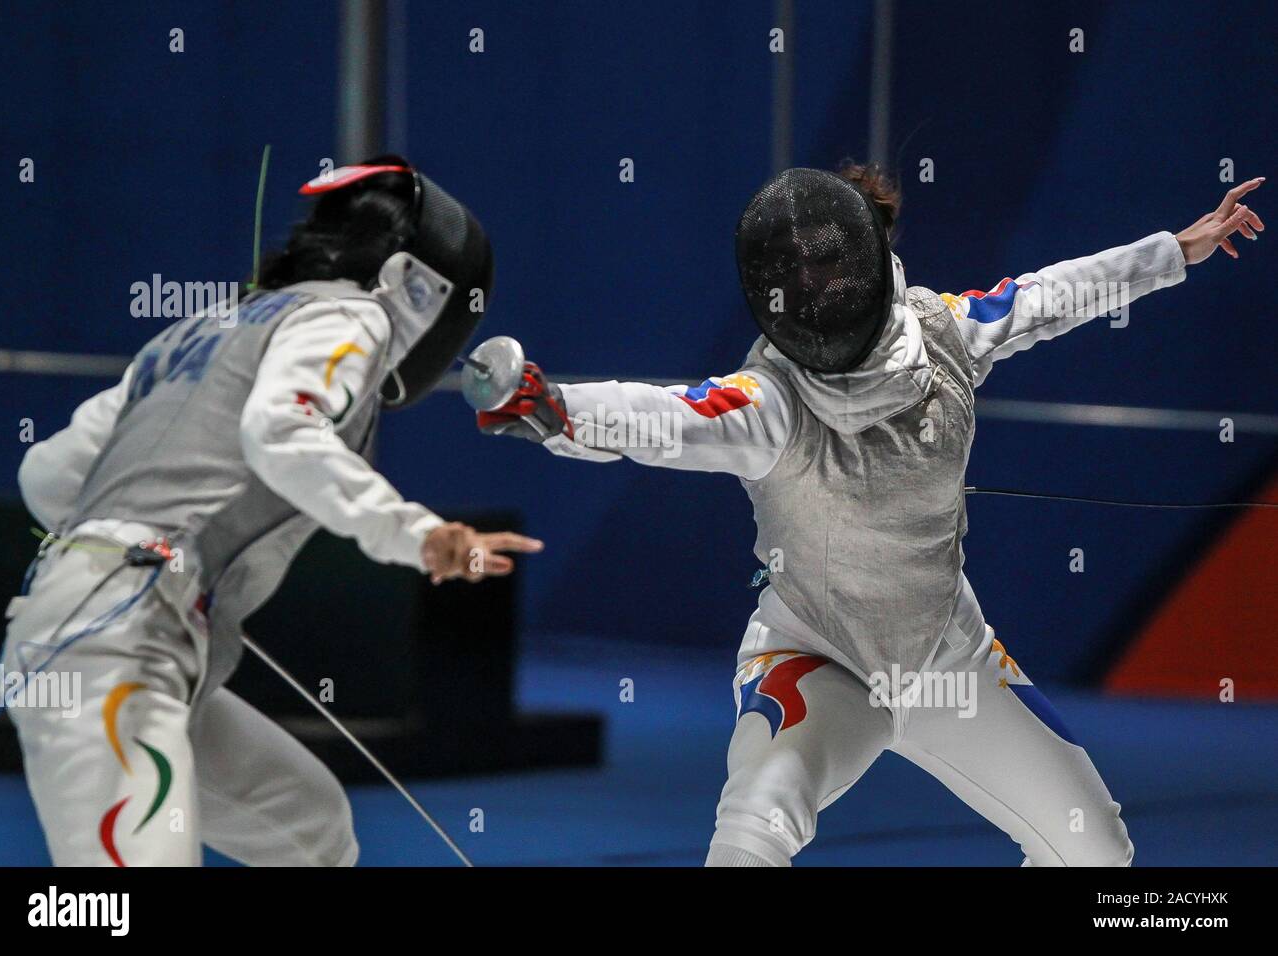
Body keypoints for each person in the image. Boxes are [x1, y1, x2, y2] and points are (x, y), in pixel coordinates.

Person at [478, 166, 1264, 866]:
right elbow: (665, 416)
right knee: (753, 828)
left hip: (944, 662)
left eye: (828, 268)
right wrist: (553, 409)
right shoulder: (769, 402)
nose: (818, 291)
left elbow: (1051, 294)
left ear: (866, 265)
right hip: (816, 659)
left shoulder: (946, 331)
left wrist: (1175, 251)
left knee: (1093, 848)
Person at [0, 155, 542, 866]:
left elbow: (48, 474)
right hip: (118, 643)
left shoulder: (200, 328)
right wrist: (422, 535)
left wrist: (163, 562)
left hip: (122, 628)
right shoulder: (354, 316)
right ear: (415, 286)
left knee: (311, 831)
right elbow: (281, 431)